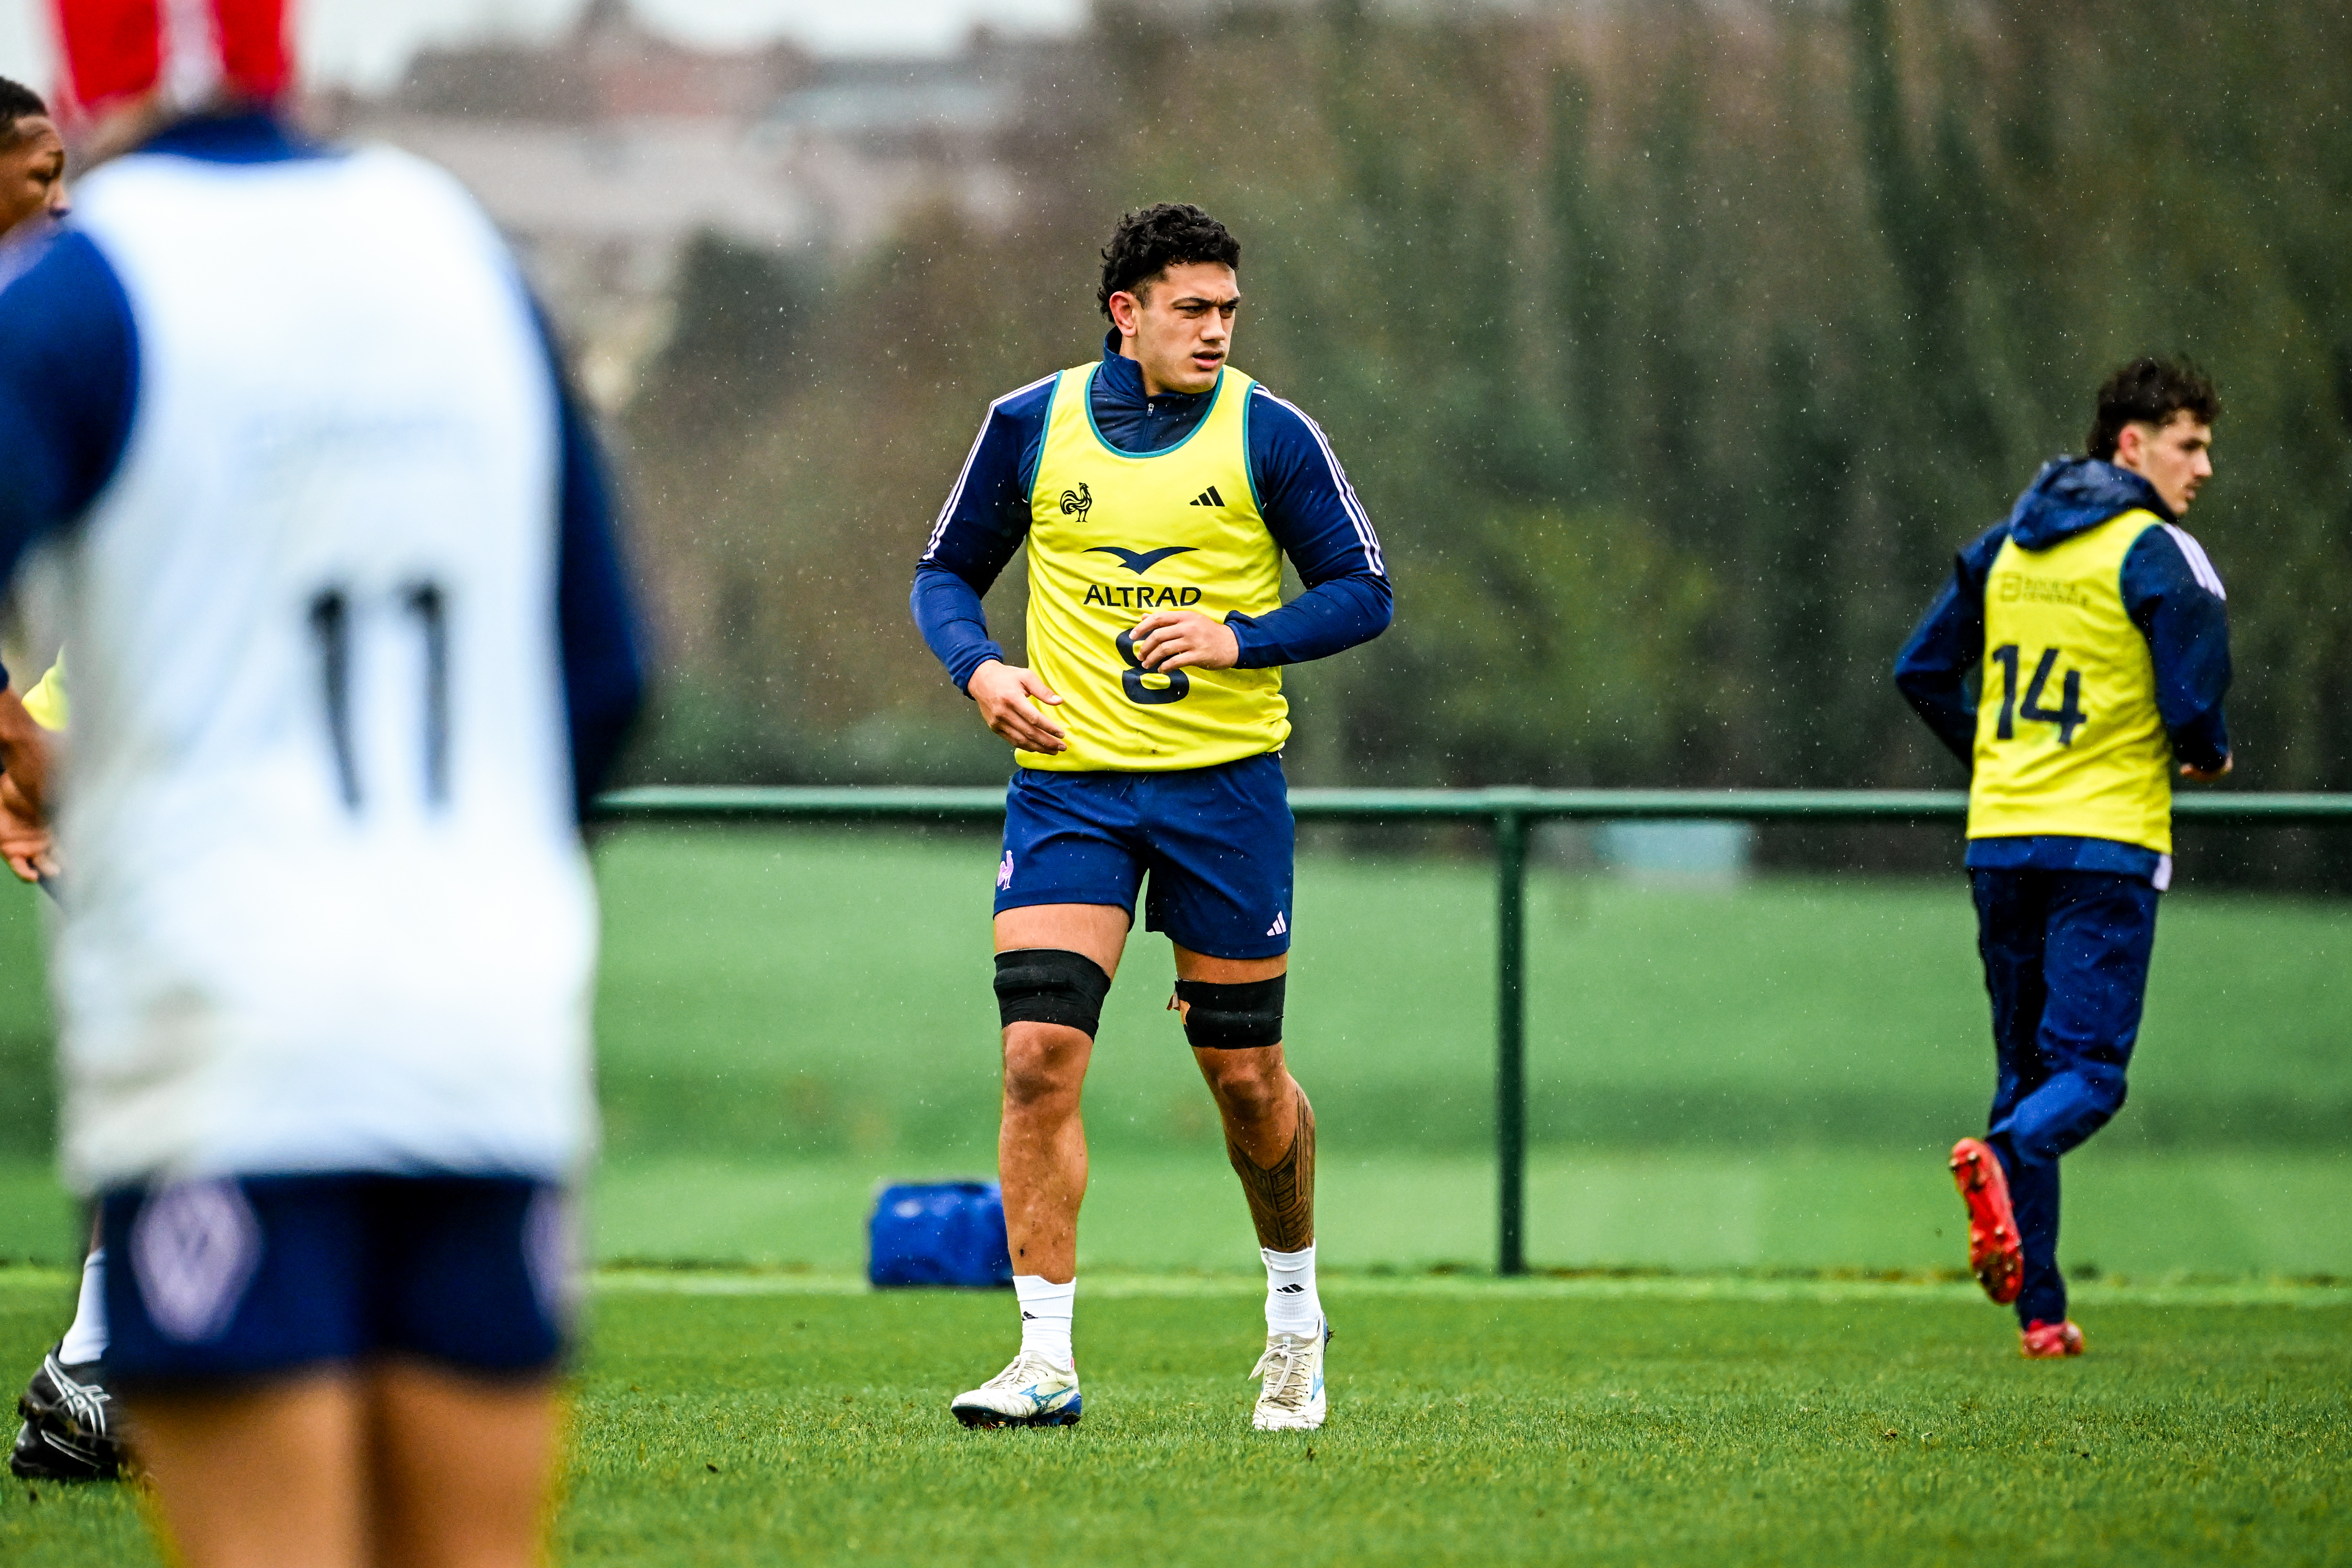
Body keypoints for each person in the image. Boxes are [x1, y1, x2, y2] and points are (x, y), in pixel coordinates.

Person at [0, 4, 644, 1563]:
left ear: (84, 68)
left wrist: (28, 761)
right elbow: (607, 672)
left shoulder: (90, 286)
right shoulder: (455, 249)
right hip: (481, 1025)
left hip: (230, 1019)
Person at [912, 203, 1392, 1431]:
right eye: (1192, 308)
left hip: (1223, 793)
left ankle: (1295, 1320)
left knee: (1244, 1078)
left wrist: (1242, 638)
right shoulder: (1030, 423)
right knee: (1037, 1058)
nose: (1216, 329)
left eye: (1227, 308)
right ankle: (1043, 1360)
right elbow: (945, 574)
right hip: (1070, 790)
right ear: (1126, 313)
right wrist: (980, 670)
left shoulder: (1271, 434)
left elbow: (1363, 590)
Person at [1895, 357, 2232, 1358]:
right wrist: (2207, 747)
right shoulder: (2154, 551)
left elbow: (1920, 670)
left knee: (2026, 1074)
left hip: (2002, 837)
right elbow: (2192, 702)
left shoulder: (2006, 542)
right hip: (2103, 844)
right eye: (2188, 444)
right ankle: (1998, 1162)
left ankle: (2040, 1315)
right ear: (2130, 444)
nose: (2202, 467)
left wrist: (1996, 755)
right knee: (2086, 1073)